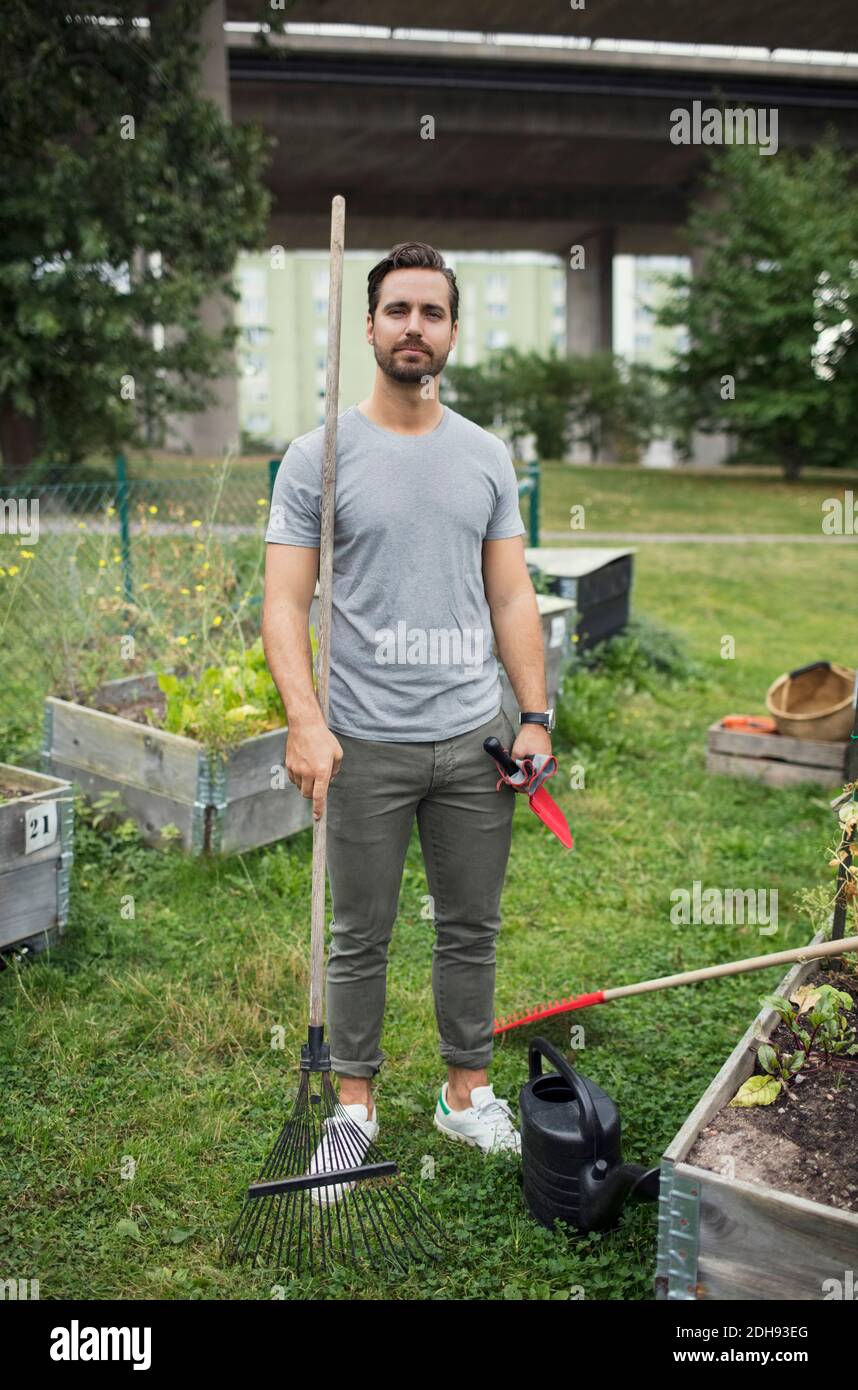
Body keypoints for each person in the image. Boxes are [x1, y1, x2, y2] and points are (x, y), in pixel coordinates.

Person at [262, 241, 556, 1189]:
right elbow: (283, 603)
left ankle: (465, 1093)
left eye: (432, 313)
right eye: (398, 311)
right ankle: (352, 1110)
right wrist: (306, 722)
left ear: (453, 332)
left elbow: (512, 598)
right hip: (364, 742)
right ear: (371, 326)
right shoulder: (319, 457)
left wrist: (535, 715)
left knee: (471, 926)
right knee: (361, 934)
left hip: (474, 738)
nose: (414, 328)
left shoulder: (484, 455)